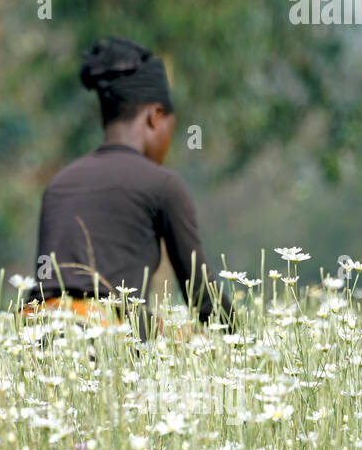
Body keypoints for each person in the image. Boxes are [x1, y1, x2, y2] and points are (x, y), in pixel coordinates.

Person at [26, 36, 234, 340]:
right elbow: (203, 299)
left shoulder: (59, 183)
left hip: (35, 337)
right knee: (194, 341)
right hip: (105, 344)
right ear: (156, 118)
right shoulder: (163, 185)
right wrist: (246, 346)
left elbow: (55, 292)